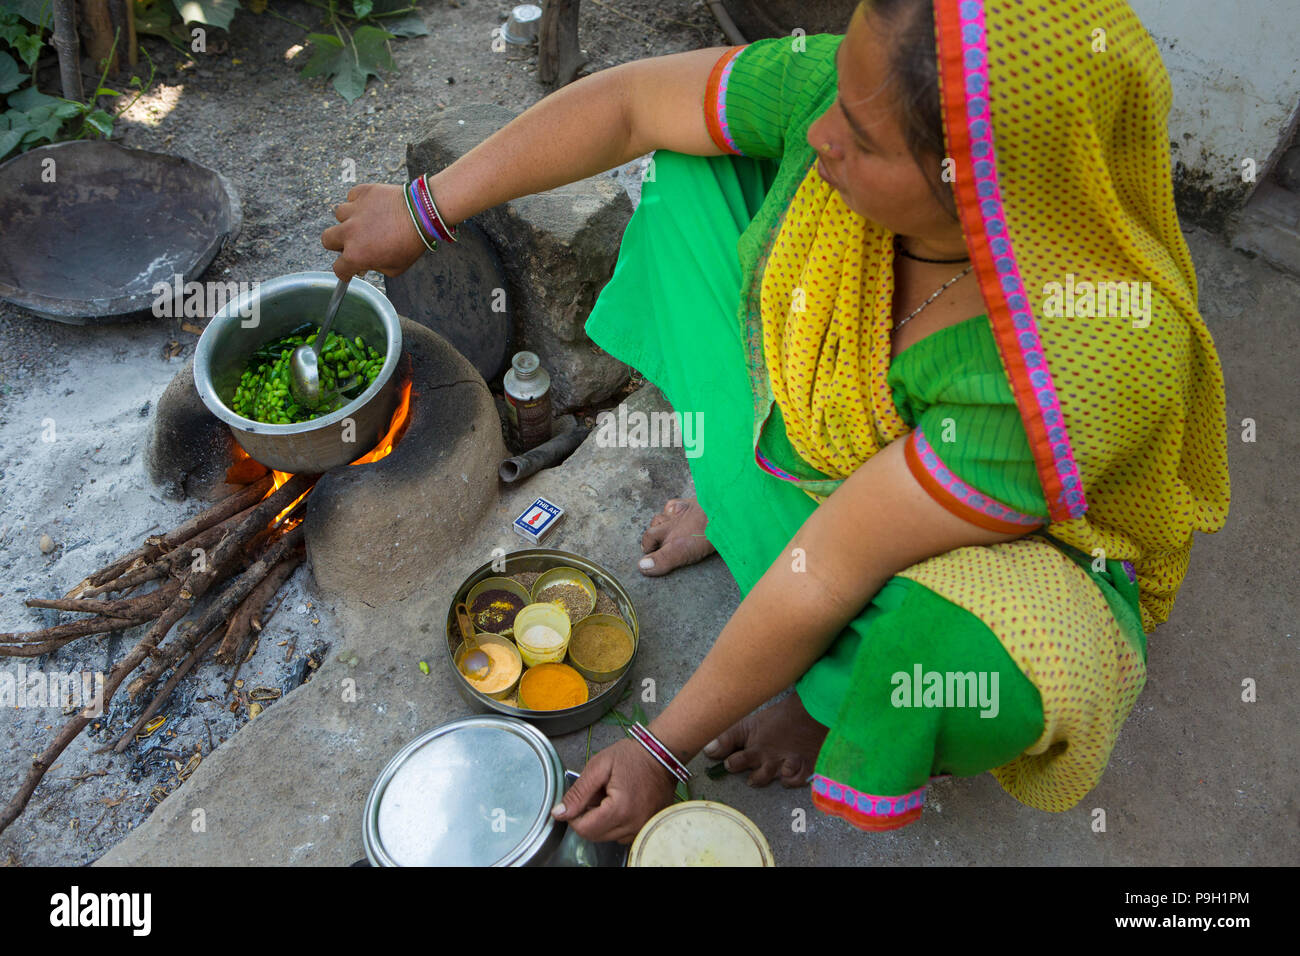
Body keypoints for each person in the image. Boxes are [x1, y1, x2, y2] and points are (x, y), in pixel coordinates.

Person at [323, 0, 1230, 843]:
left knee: (966, 665)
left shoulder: (1061, 374)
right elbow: (636, 103)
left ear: (982, 191)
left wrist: (660, 747)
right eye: (838, 95)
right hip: (861, 445)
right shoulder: (854, 95)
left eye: (864, 140)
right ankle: (744, 489)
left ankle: (824, 695)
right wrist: (426, 207)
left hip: (1016, 552)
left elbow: (830, 566)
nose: (823, 133)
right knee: (690, 171)